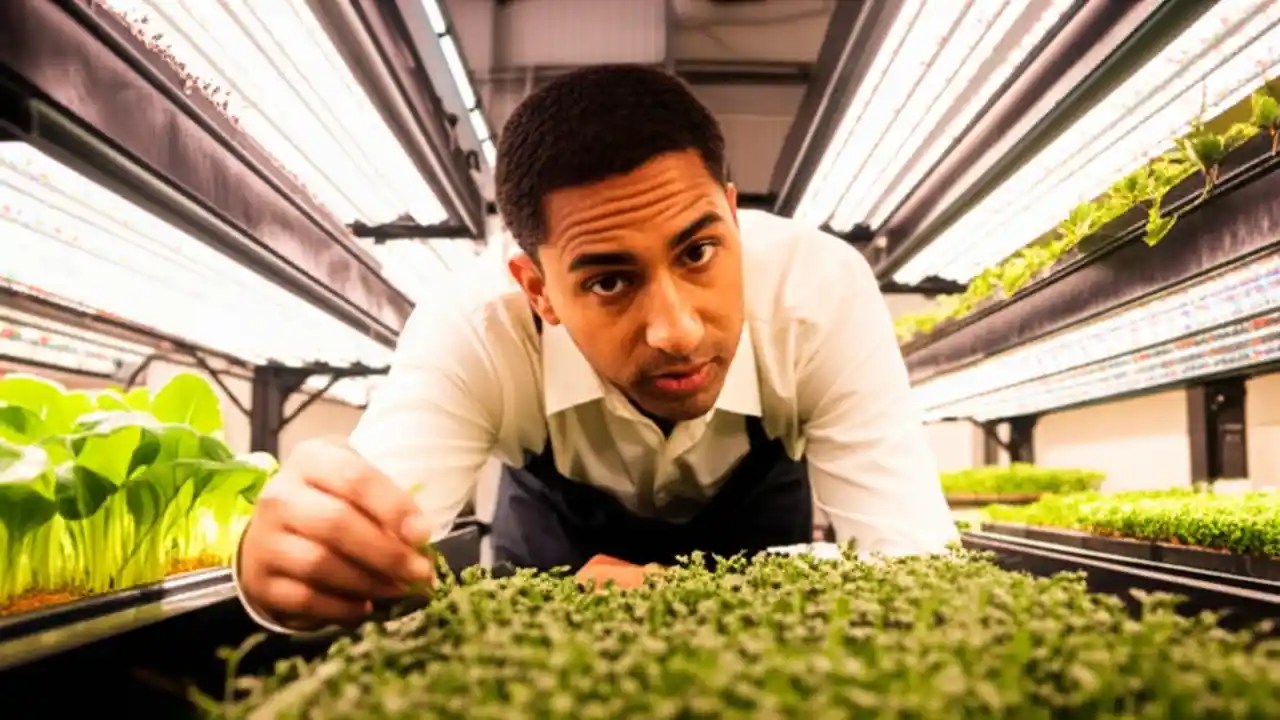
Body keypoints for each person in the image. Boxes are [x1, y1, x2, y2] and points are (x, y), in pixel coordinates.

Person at [233, 64, 959, 634]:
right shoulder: (474, 327)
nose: (676, 331)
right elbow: (359, 543)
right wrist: (289, 568)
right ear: (538, 288)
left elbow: (917, 568)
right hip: (549, 546)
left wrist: (699, 593)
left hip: (760, 533)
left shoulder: (819, 293)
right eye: (610, 281)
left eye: (700, 251)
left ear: (734, 217)